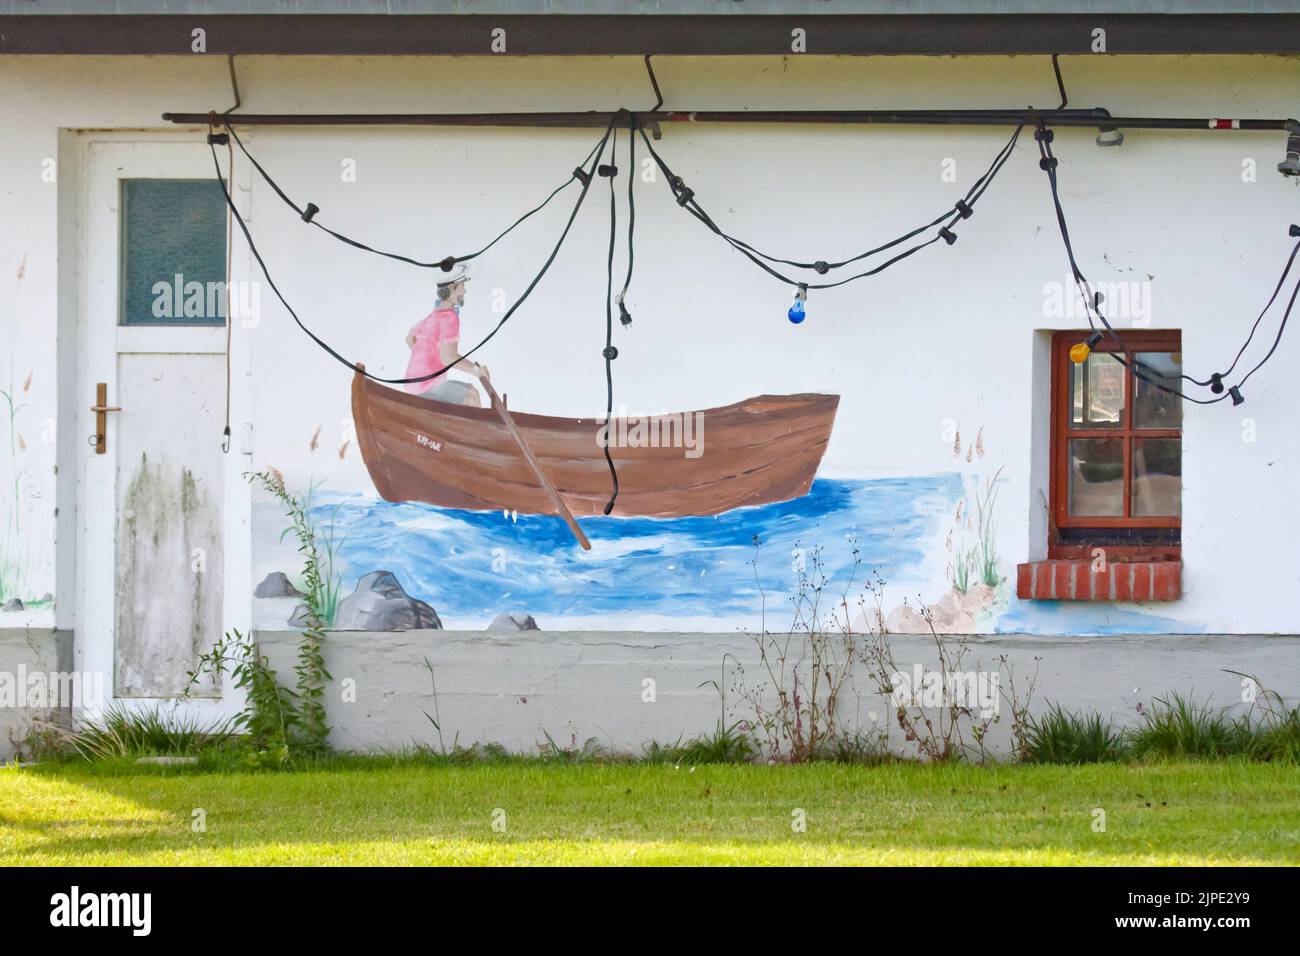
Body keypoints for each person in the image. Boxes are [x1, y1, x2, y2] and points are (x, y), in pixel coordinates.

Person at [403, 266, 490, 405]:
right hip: (428, 387)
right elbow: (448, 358)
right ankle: (472, 427)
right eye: (462, 286)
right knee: (471, 397)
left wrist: (427, 356)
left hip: (411, 384)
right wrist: (477, 371)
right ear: (451, 288)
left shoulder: (432, 316)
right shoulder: (450, 317)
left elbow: (410, 339)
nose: (464, 290)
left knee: (471, 391)